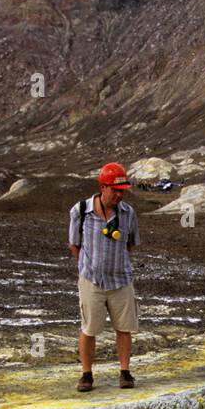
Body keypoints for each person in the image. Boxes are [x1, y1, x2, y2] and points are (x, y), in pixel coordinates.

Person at [68, 163, 140, 393]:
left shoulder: (128, 213)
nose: (119, 195)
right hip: (92, 280)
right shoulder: (80, 211)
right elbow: (74, 243)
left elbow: (130, 244)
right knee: (89, 327)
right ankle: (87, 375)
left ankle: (125, 372)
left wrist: (118, 264)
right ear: (102, 187)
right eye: (115, 190)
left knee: (124, 327)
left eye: (122, 191)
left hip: (121, 280)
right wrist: (85, 266)